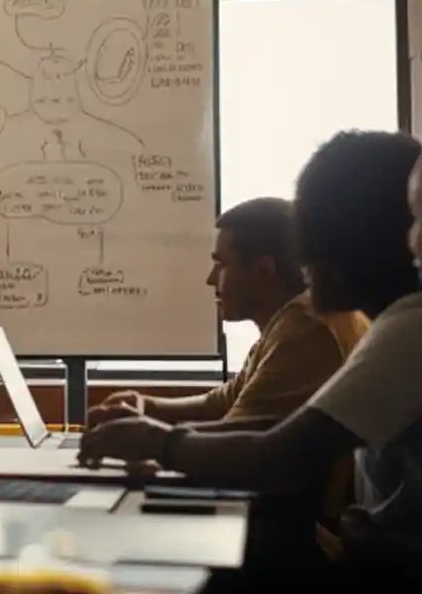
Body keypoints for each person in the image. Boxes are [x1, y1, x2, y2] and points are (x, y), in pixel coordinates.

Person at [79, 131, 422, 560]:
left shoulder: (406, 326)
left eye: (314, 240)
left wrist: (157, 442)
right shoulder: (386, 323)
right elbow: (234, 405)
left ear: (359, 241)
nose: (304, 264)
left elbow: (282, 455)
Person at [89, 197, 368, 431]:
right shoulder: (289, 320)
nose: (211, 279)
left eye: (221, 264)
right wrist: (147, 406)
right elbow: (224, 402)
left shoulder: (304, 330)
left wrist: (147, 435)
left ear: (263, 270)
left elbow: (234, 440)